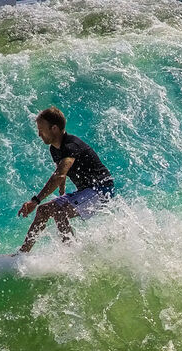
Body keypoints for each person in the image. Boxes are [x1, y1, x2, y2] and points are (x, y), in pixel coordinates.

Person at [17, 106, 115, 253]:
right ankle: (22, 254)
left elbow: (60, 175)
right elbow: (61, 172)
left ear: (54, 128)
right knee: (44, 210)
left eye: (42, 130)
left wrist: (35, 201)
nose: (39, 134)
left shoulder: (71, 146)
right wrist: (62, 193)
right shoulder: (54, 148)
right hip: (86, 191)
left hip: (102, 190)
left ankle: (71, 254)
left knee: (58, 211)